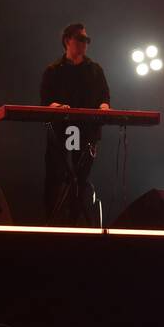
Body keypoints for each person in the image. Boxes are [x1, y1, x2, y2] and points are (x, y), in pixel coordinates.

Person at [39, 23, 110, 225]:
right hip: (62, 130)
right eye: (80, 39)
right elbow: (45, 102)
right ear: (67, 40)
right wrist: (57, 107)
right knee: (56, 175)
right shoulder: (53, 71)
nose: (84, 44)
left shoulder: (95, 70)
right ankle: (51, 221)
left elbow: (104, 97)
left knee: (81, 177)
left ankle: (75, 222)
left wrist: (104, 107)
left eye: (86, 40)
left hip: (87, 130)